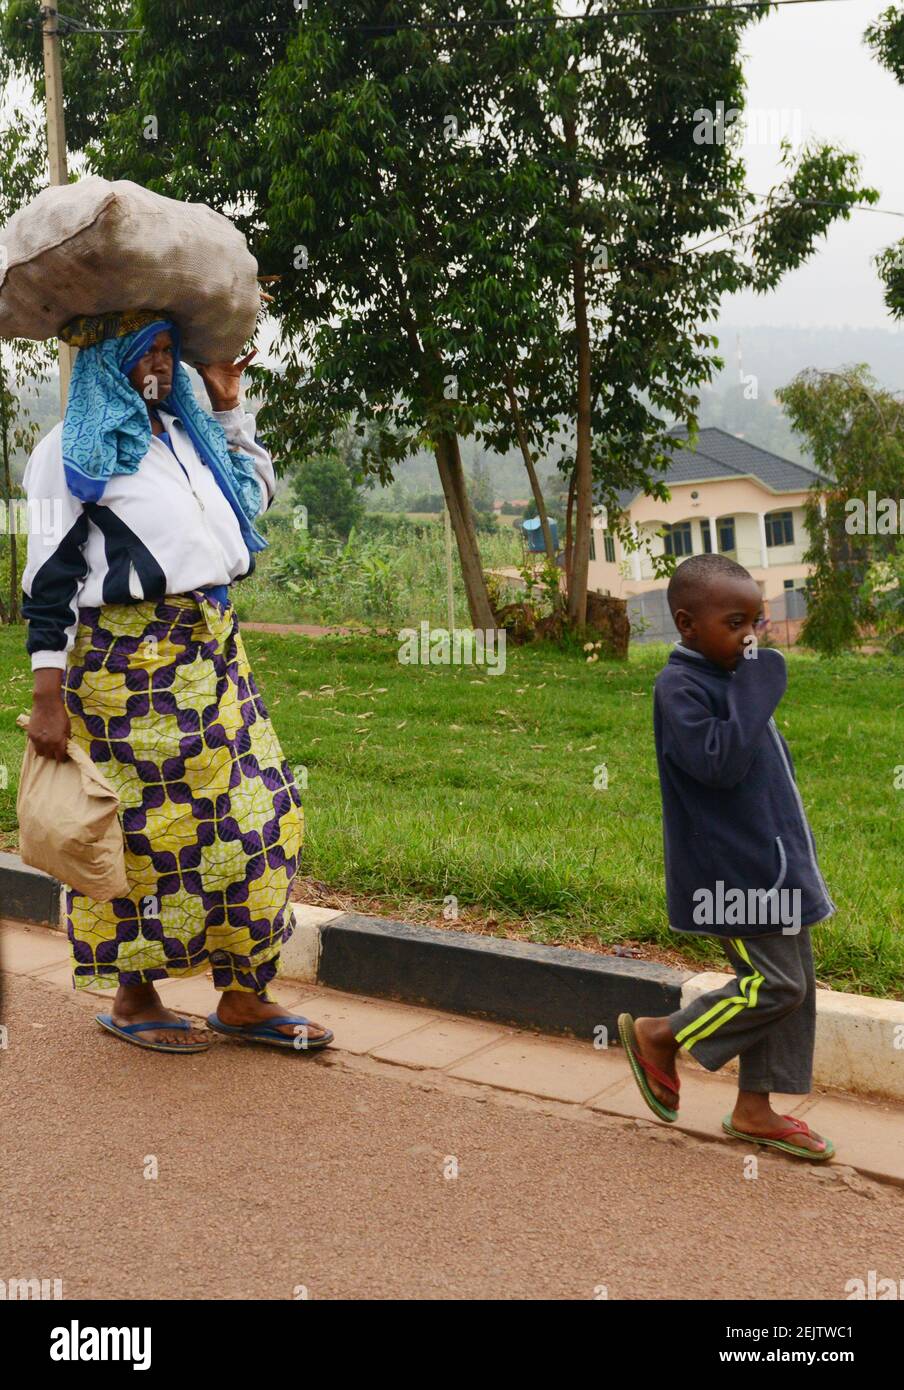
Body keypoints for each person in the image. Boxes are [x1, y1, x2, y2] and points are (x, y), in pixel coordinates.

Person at [21, 308, 333, 1055]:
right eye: (145, 350)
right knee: (143, 839)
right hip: (129, 676)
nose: (161, 362)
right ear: (106, 358)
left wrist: (229, 409)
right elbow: (48, 582)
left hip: (214, 659)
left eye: (167, 347)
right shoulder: (69, 452)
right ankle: (135, 996)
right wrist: (46, 695)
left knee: (256, 820)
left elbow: (248, 503)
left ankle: (243, 996)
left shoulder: (186, 433)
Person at [618, 553, 836, 1160]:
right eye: (734, 622)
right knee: (775, 985)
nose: (749, 637)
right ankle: (660, 1035)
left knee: (797, 987)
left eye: (757, 623)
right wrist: (757, 686)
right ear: (687, 624)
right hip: (731, 875)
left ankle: (755, 1109)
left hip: (774, 868)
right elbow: (719, 762)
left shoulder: (733, 678)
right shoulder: (681, 686)